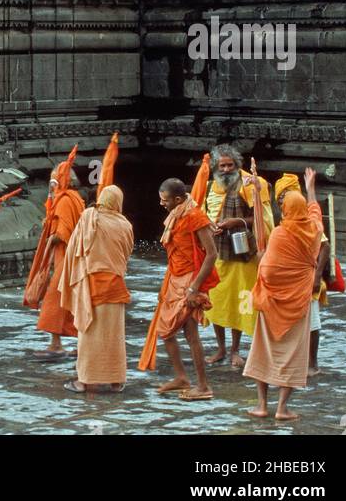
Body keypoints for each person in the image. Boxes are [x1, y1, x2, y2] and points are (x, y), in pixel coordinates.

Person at [243, 167, 323, 421]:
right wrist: (310, 188)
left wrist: (261, 281)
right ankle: (282, 409)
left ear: (285, 210)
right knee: (293, 355)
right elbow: (314, 211)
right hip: (299, 303)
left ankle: (262, 405)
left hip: (272, 304)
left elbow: (267, 269)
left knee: (263, 351)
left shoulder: (279, 233)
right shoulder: (314, 231)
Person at [138, 177, 218, 401]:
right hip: (175, 278)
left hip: (190, 279)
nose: (161, 204)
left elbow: (212, 254)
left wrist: (194, 287)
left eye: (165, 200)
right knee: (165, 330)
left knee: (191, 333)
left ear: (179, 199)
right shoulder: (176, 214)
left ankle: (203, 387)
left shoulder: (194, 216)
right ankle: (182, 377)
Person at [202, 144, 274, 369]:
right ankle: (221, 348)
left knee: (240, 303)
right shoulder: (209, 187)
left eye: (229, 165)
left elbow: (262, 219)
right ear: (215, 166)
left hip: (243, 255)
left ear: (237, 165)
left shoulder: (249, 184)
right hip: (217, 254)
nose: (225, 169)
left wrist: (238, 222)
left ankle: (235, 349)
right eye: (221, 165)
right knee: (216, 303)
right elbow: (203, 214)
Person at [60, 184, 133, 393]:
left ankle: (84, 381)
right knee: (114, 335)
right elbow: (126, 254)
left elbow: (75, 248)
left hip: (91, 283)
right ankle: (116, 380)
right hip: (116, 285)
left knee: (89, 333)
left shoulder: (89, 216)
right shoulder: (125, 224)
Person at [23, 156, 85, 359]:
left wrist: (49, 240)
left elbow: (62, 234)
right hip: (72, 257)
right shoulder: (72, 197)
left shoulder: (65, 200)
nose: (52, 182)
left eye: (55, 178)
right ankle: (74, 343)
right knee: (71, 301)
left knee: (54, 299)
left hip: (66, 258)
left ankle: (57, 345)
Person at [274, 171, 330, 375]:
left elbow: (325, 247)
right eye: (281, 197)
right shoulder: (283, 224)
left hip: (307, 278)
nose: (285, 201)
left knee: (312, 320)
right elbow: (315, 206)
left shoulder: (307, 221)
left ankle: (312, 363)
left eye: (288, 196)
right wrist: (311, 189)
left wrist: (316, 277)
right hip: (289, 281)